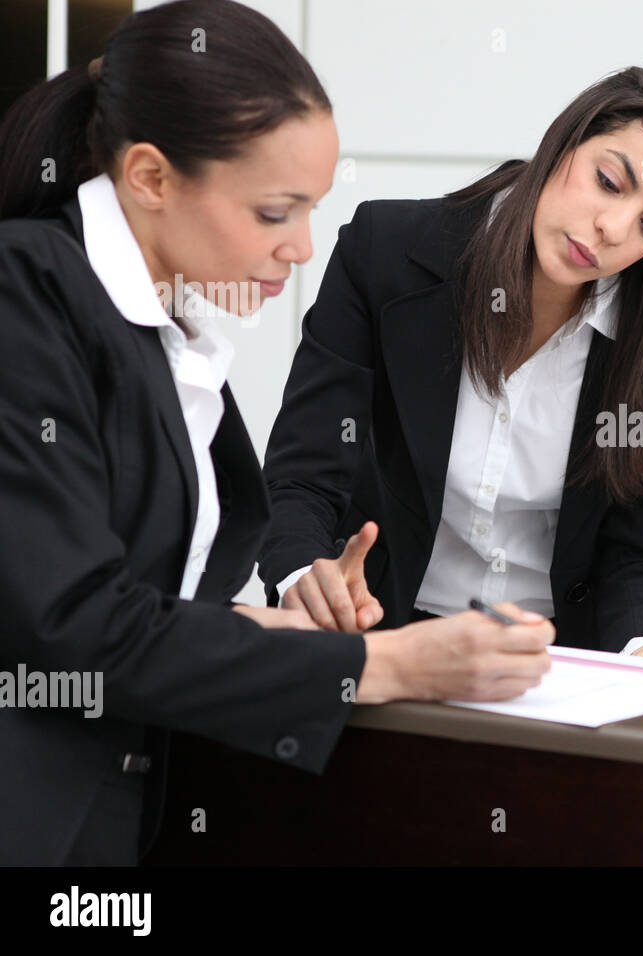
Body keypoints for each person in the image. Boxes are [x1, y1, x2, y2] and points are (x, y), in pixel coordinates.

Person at [0, 0, 552, 867]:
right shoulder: (24, 296)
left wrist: (292, 634)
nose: (301, 248)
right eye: (273, 212)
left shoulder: (163, 332)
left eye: (311, 211)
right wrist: (389, 666)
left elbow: (152, 613)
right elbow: (75, 623)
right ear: (149, 177)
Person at [259, 64, 643, 660]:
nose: (612, 229)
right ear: (565, 142)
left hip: (555, 660)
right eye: (608, 182)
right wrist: (307, 577)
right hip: (379, 631)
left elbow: (642, 545)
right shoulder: (387, 252)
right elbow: (305, 472)